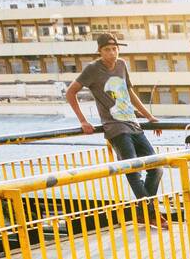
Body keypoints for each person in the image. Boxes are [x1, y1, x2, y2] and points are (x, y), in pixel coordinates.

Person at [65, 34, 162, 222]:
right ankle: (151, 214)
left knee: (156, 167)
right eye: (107, 50)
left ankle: (144, 212)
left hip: (133, 124)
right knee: (133, 171)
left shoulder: (122, 65)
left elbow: (129, 92)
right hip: (115, 128)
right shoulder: (92, 69)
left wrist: (148, 115)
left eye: (115, 49)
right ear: (100, 51)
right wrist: (83, 121)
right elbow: (71, 92)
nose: (112, 53)